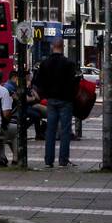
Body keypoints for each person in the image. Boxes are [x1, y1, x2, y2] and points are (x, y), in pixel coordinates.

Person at [33, 40, 81, 168]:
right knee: (65, 131)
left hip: (51, 100)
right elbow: (76, 81)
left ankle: (49, 160)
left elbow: (38, 82)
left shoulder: (45, 63)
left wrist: (44, 94)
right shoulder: (69, 63)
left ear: (52, 47)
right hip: (66, 100)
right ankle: (63, 160)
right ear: (63, 46)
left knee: (50, 130)